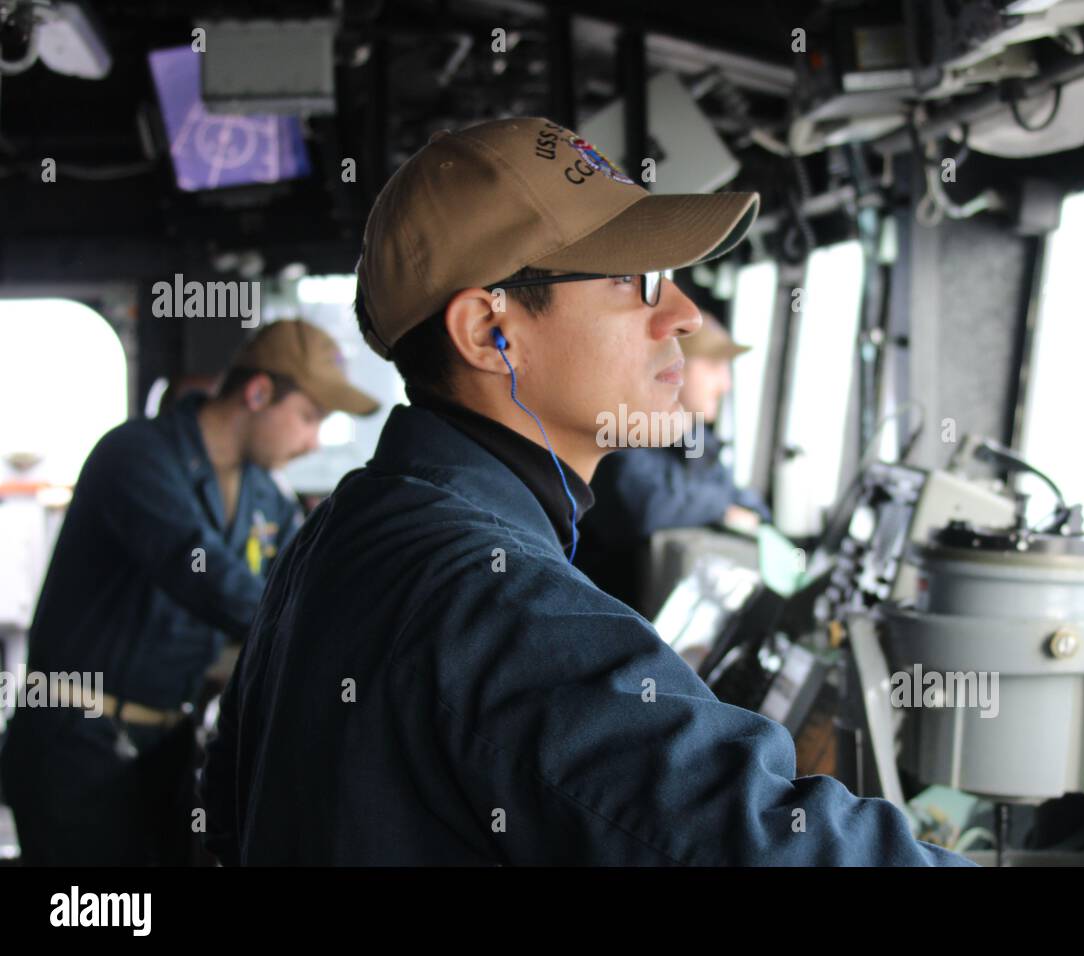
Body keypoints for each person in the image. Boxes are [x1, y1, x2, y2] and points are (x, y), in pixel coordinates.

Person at [199, 117, 974, 866]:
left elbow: (228, 814)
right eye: (630, 280)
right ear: (487, 333)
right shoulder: (495, 597)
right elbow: (758, 842)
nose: (682, 312)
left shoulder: (349, 523)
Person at [0, 318, 379, 865]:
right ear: (257, 392)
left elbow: (292, 589)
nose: (312, 440)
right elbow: (209, 580)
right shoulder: (136, 456)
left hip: (164, 748)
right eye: (308, 416)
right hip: (76, 743)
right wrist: (334, 650)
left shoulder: (262, 497)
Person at [575, 310, 771, 607]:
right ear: (675, 367)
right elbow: (649, 505)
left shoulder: (696, 436)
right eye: (715, 366)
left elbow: (751, 506)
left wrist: (726, 507)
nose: (725, 384)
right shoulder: (625, 428)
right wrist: (723, 509)